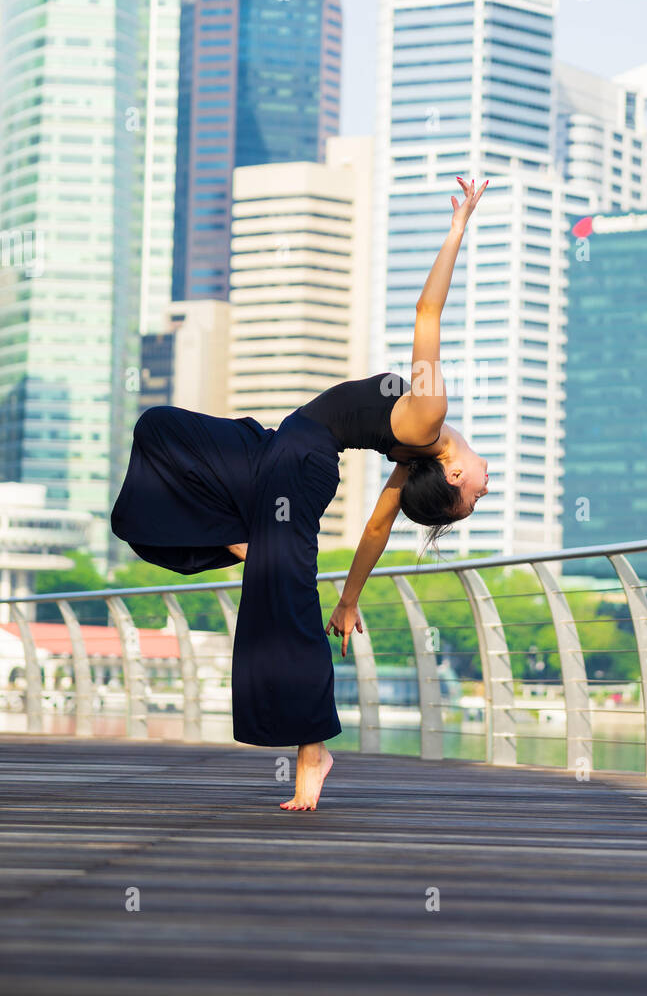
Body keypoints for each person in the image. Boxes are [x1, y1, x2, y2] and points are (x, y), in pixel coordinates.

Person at [110, 176, 489, 811]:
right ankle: (243, 546)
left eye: (475, 497)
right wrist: (347, 599)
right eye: (479, 497)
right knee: (158, 430)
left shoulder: (428, 417)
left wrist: (456, 231)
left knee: (282, 605)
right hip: (277, 444)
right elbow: (374, 531)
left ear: (452, 476)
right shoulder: (420, 442)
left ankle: (313, 750)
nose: (486, 486)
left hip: (299, 462)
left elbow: (427, 314)